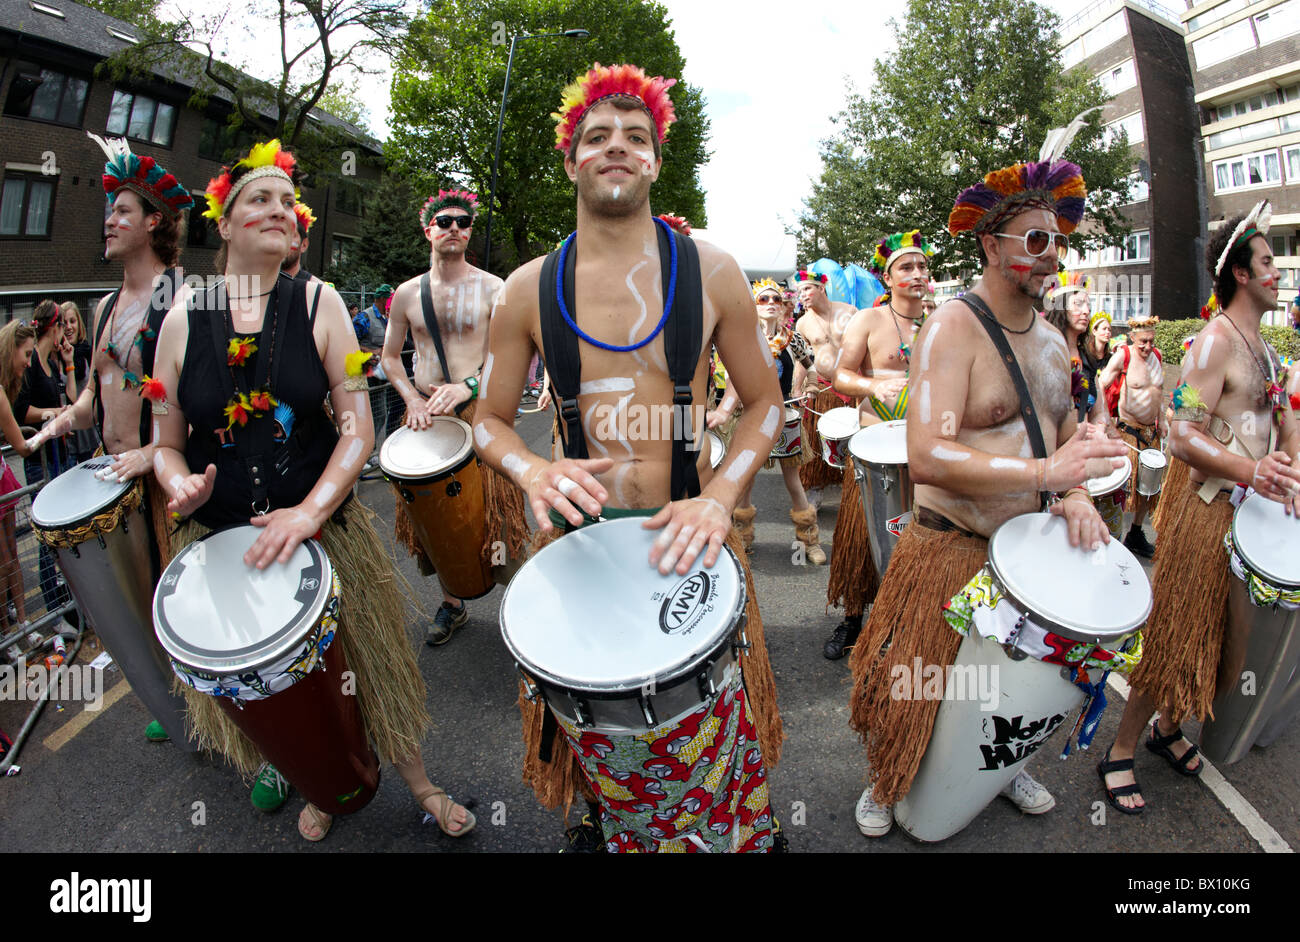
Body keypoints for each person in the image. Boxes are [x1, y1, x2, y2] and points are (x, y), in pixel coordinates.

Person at [473, 62, 785, 852]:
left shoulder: (713, 271)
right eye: (598, 136)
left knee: (723, 715)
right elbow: (487, 423)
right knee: (593, 712)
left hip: (691, 532)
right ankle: (600, 812)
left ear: (656, 161)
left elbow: (765, 405)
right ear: (571, 158)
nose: (618, 147)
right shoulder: (524, 290)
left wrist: (719, 495)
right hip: (580, 545)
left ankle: (746, 823)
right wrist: (534, 470)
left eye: (637, 138)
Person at [150, 138, 475, 842]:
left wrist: (310, 509)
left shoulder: (320, 303)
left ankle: (420, 785)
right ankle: (322, 783)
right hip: (222, 542)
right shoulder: (180, 319)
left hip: (327, 534)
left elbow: (357, 426)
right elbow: (164, 440)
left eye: (285, 201)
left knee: (367, 669)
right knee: (289, 700)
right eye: (257, 199)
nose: (279, 209)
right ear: (225, 222)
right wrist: (177, 482)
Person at [849, 141, 1128, 838]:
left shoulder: (1056, 341)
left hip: (1025, 559)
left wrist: (1080, 494)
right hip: (952, 549)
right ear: (991, 244)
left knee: (1005, 693)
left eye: (1057, 242)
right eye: (1037, 239)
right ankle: (888, 777)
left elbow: (1061, 429)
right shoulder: (952, 328)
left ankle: (998, 769)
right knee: (920, 685)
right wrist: (1045, 478)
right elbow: (928, 456)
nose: (1051, 255)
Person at [1099, 201, 1300, 814]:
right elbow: (1180, 434)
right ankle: (1121, 750)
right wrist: (1252, 469)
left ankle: (1166, 730)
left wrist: (1288, 463)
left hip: (1246, 511)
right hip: (1206, 511)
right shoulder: (1215, 342)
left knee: (1211, 638)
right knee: (1174, 633)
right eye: (1266, 261)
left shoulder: (1262, 347)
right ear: (1240, 273)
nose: (1277, 271)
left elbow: (1283, 418)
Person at [47, 134, 196, 747]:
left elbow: (199, 405)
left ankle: (236, 722)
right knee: (140, 609)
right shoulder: (106, 303)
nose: (108, 221)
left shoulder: (183, 298)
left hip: (161, 485)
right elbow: (93, 394)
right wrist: (62, 420)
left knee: (182, 604)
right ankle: (176, 699)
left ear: (153, 222)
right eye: (110, 211)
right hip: (112, 482)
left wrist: (153, 452)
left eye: (122, 211)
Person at [380, 189, 529, 644]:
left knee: (497, 510)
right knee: (436, 514)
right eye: (444, 222)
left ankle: (522, 602)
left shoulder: (494, 287)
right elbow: (388, 359)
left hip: (481, 409)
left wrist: (467, 386)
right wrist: (412, 399)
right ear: (428, 230)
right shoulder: (407, 294)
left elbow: (510, 356)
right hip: (427, 417)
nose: (455, 230)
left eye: (463, 223)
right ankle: (452, 604)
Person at [824, 230, 934, 660]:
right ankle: (853, 618)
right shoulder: (868, 321)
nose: (917, 274)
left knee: (915, 542)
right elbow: (840, 376)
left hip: (921, 456)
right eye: (906, 267)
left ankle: (902, 622)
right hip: (873, 456)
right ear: (888, 278)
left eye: (922, 266)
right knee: (860, 544)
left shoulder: (940, 321)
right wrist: (873, 384)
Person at [709, 279, 824, 563]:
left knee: (793, 480)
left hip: (783, 415)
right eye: (763, 299)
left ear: (784, 305)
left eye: (776, 298)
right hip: (746, 416)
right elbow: (733, 380)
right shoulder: (743, 340)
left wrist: (809, 386)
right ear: (754, 306)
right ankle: (741, 539)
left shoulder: (792, 339)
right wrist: (724, 409)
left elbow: (811, 367)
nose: (771, 303)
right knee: (744, 479)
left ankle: (809, 541)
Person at [0, 321, 61, 637]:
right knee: (6, 561)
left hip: (3, 479)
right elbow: (23, 446)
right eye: (25, 354)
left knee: (10, 559)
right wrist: (52, 429)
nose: (28, 361)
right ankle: (10, 631)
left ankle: (20, 625)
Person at [15, 300, 75, 617]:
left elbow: (73, 399)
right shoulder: (32, 363)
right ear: (52, 328)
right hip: (40, 459)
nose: (65, 334)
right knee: (45, 536)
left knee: (62, 530)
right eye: (60, 328)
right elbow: (22, 412)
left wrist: (68, 362)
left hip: (59, 453)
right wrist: (56, 413)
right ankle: (52, 607)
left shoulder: (51, 361)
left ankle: (66, 599)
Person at [1097, 314, 1164, 558]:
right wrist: (1107, 424)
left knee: (1148, 489)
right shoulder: (1123, 355)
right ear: (1132, 337)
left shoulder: (1157, 357)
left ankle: (1135, 532)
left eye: (1151, 341)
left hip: (1151, 434)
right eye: (1142, 341)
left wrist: (1164, 420)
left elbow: (1160, 391)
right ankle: (1110, 534)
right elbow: (1100, 385)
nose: (1147, 347)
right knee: (1120, 489)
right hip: (1128, 432)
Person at [795, 269, 858, 505]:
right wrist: (797, 388)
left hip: (853, 386)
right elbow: (803, 359)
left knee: (854, 440)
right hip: (822, 388)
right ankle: (815, 488)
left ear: (821, 288)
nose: (802, 294)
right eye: (800, 291)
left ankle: (855, 487)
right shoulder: (802, 323)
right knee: (815, 440)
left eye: (807, 288)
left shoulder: (849, 312)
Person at [59, 301, 98, 463]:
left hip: (90, 436)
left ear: (79, 324)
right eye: (64, 323)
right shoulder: (56, 357)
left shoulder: (88, 352)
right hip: (68, 440)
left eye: (72, 321)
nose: (68, 327)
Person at [281, 201, 316, 282]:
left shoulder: (318, 291)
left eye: (291, 236)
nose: (282, 241)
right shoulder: (252, 283)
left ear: (304, 245)